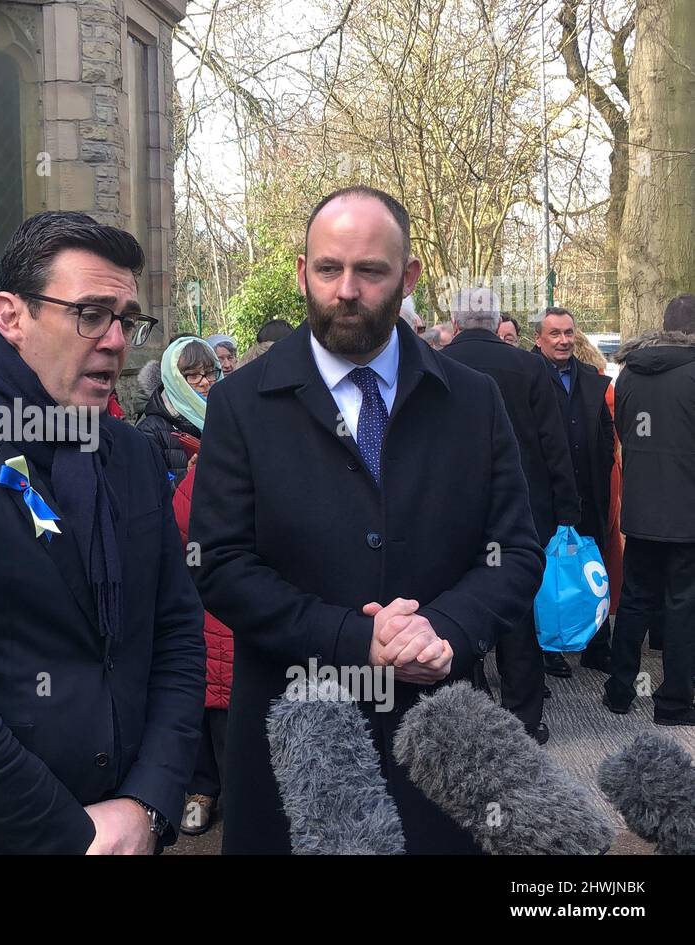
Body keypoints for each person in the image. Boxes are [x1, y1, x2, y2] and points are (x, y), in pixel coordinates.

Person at [190, 187, 544, 855]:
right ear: (302, 273)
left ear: (407, 278)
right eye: (328, 269)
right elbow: (220, 563)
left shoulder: (472, 399)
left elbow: (515, 551)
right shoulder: (241, 404)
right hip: (293, 742)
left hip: (439, 740)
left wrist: (444, 628)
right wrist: (358, 638)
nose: (346, 290)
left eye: (370, 271)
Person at [0, 211, 206, 854]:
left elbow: (176, 631)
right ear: (10, 316)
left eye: (127, 319)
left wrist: (147, 802)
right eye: (91, 314)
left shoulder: (132, 457)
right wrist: (73, 834)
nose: (115, 340)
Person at [442, 286, 580, 745]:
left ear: (456, 322)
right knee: (517, 609)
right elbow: (554, 442)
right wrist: (567, 508)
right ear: (497, 319)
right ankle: (524, 716)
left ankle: (469, 707)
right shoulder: (530, 367)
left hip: (453, 511)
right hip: (522, 509)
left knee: (456, 605)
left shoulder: (438, 364)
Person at [604, 294, 695, 726]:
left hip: (641, 510)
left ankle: (619, 691)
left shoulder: (627, 375)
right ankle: (674, 701)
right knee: (683, 606)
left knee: (636, 600)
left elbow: (626, 434)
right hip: (686, 514)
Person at [533, 307, 615, 677]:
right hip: (545, 495)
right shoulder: (527, 377)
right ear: (539, 339)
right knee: (549, 572)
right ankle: (549, 647)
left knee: (591, 566)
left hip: (588, 490)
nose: (564, 340)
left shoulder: (590, 379)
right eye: (555, 334)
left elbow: (606, 435)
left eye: (568, 332)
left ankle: (596, 644)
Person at [173, 462, 232, 836]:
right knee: (200, 714)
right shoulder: (202, 476)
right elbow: (177, 525)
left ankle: (244, 797)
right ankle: (201, 793)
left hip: (245, 619)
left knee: (234, 723)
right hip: (203, 619)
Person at [574, 333, 624, 619]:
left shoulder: (585, 389)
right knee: (607, 539)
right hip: (611, 467)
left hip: (586, 467)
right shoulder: (609, 388)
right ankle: (607, 603)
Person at [135, 337, 221, 485]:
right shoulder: (150, 431)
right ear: (175, 381)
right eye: (193, 375)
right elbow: (147, 488)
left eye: (210, 373)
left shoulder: (224, 418)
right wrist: (188, 476)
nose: (206, 382)